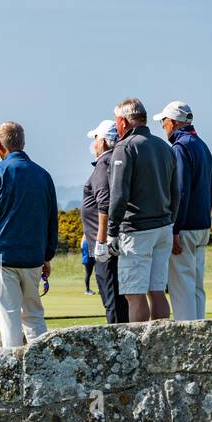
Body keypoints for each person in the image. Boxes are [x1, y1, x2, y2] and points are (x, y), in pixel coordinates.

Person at [0, 121, 58, 348]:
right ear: (23, 143)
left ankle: (13, 369)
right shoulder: (43, 175)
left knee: (9, 316)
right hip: (33, 257)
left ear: (0, 145)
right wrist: (47, 255)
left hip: (4, 256)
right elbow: (51, 219)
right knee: (34, 315)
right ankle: (41, 366)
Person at [97, 98, 179, 322]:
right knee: (157, 290)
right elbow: (176, 192)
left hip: (137, 229)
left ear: (123, 121)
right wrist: (171, 221)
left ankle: (139, 350)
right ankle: (160, 344)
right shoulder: (164, 146)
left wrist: (112, 232)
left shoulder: (125, 147)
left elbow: (119, 195)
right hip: (163, 227)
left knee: (134, 294)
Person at [156, 100, 212, 320]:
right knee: (197, 286)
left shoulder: (180, 148)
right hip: (202, 225)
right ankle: (200, 331)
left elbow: (180, 190)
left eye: (164, 123)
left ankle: (187, 336)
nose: (163, 127)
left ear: (172, 122)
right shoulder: (201, 145)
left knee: (182, 286)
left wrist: (175, 228)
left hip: (186, 227)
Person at [81, 119, 129, 323]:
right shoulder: (118, 162)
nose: (93, 144)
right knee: (120, 301)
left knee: (113, 303)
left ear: (102, 142)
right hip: (114, 245)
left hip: (105, 251)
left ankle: (118, 349)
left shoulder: (103, 164)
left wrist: (101, 241)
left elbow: (104, 203)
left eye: (95, 139)